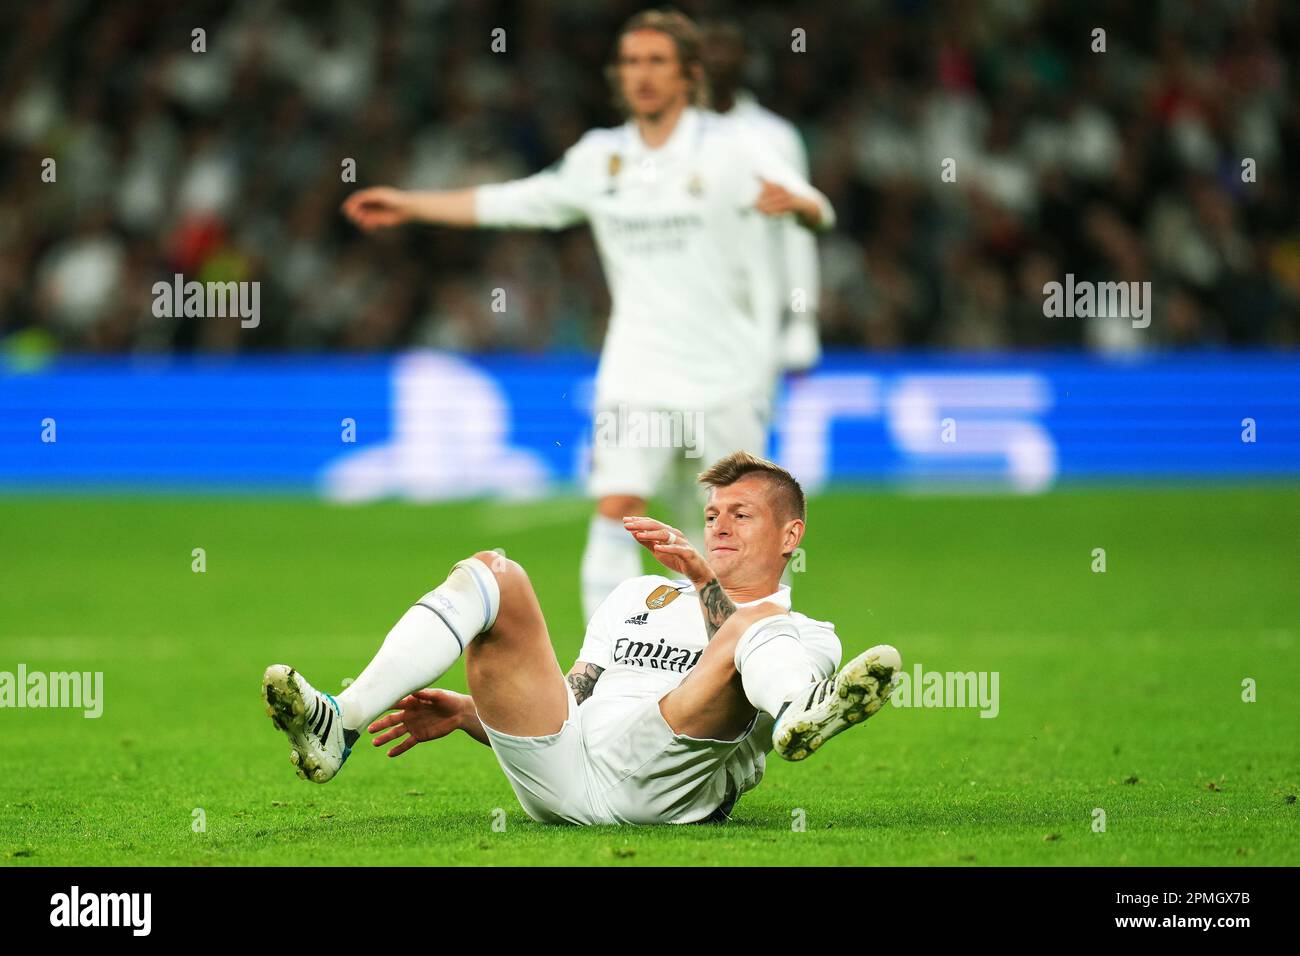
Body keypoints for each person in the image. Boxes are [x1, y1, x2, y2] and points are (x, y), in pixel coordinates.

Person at [340, 8, 836, 623]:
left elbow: (817, 209)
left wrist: (807, 208)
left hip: (728, 373)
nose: (642, 74)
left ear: (687, 74)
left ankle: (740, 675)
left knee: (722, 531)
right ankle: (597, 678)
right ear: (616, 76)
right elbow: (516, 200)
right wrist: (413, 203)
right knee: (618, 507)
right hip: (637, 369)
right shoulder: (600, 159)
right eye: (631, 62)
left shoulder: (736, 149)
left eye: (657, 61)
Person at [261, 451, 901, 825]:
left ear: (790, 537)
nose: (720, 526)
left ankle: (800, 714)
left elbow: (729, 639)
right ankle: (339, 723)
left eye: (742, 514)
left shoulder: (803, 637)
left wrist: (703, 578)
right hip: (559, 775)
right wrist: (472, 715)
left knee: (750, 627)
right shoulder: (634, 597)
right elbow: (574, 695)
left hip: (660, 788)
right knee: (495, 573)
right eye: (711, 514)